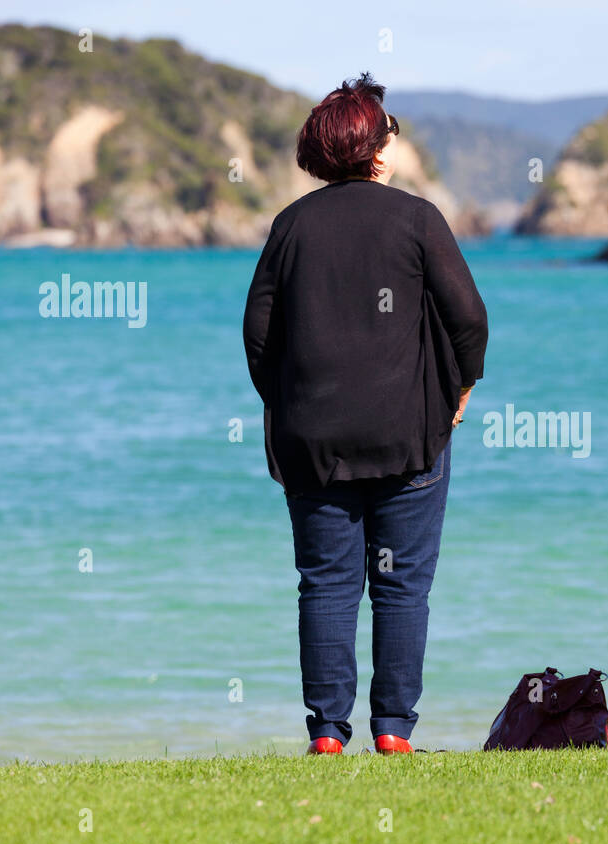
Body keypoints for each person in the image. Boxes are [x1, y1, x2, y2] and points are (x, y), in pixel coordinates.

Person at [242, 73, 488, 755]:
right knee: (401, 587)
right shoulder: (417, 219)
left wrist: (290, 401)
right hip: (411, 435)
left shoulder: (291, 226)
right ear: (376, 149)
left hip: (312, 440)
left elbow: (258, 337)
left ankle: (326, 734)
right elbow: (468, 319)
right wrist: (460, 391)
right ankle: (392, 732)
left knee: (325, 585)